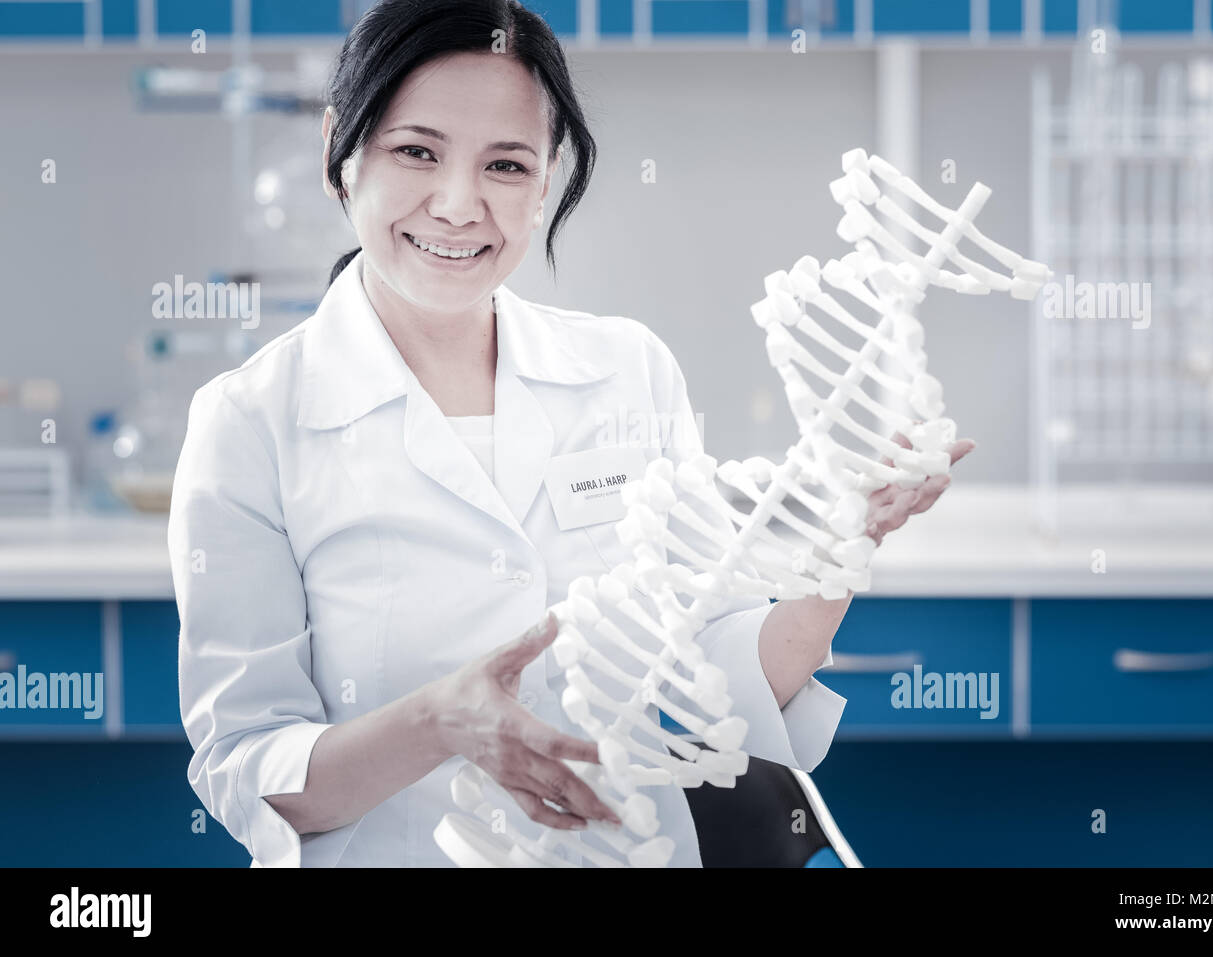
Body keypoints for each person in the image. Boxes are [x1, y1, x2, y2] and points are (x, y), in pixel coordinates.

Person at [169, 0, 969, 867]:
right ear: (340, 152)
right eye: (416, 151)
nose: (457, 203)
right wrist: (441, 723)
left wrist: (839, 548)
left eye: (505, 165)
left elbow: (723, 680)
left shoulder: (627, 370)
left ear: (546, 179)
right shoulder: (248, 422)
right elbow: (246, 766)